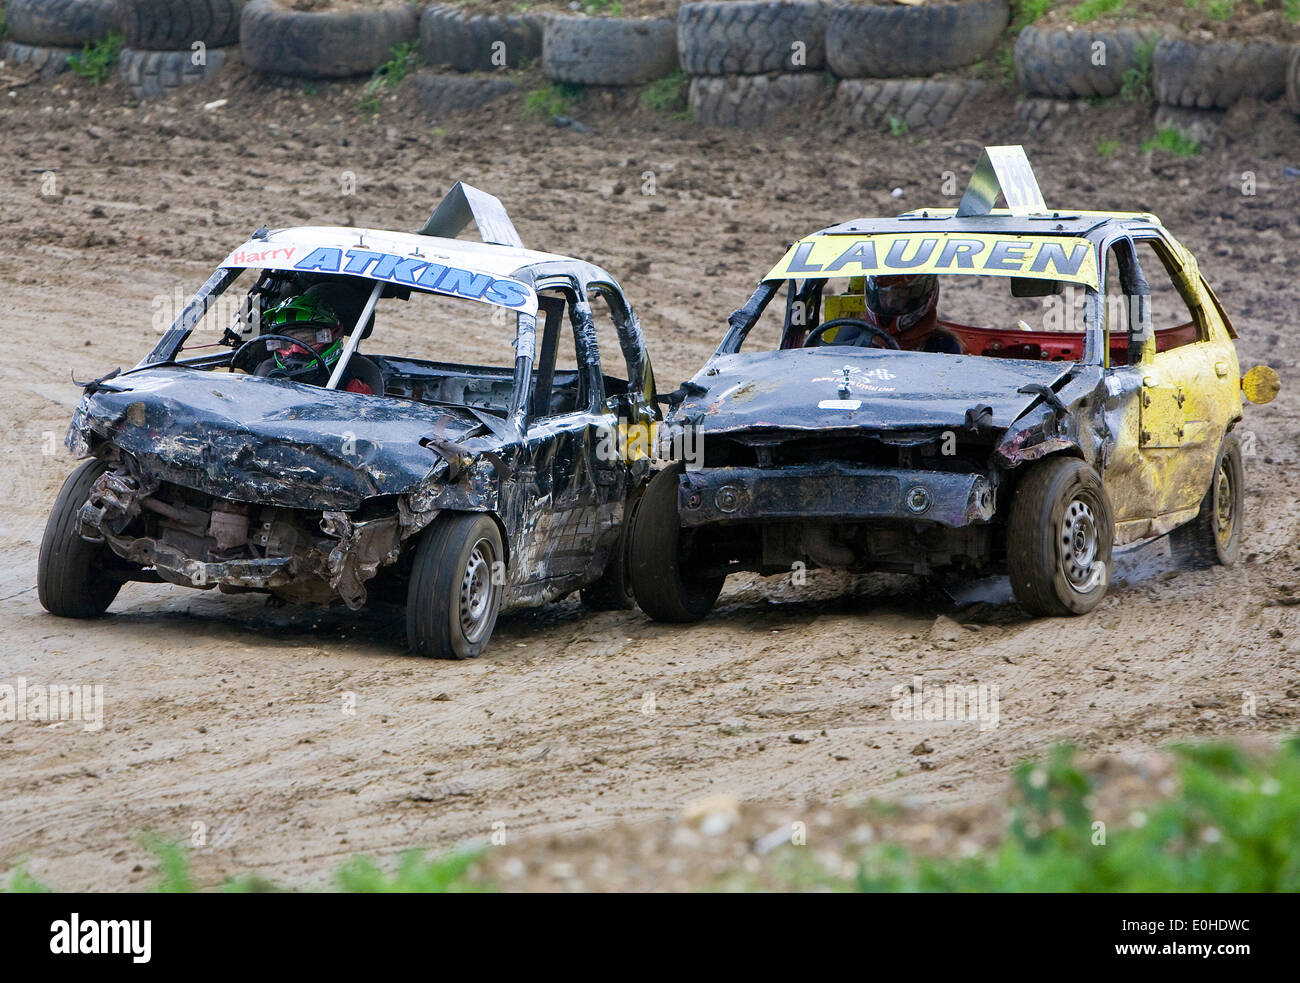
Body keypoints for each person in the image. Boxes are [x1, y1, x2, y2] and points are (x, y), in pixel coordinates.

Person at [254, 281, 381, 394]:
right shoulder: (267, 371)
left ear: (334, 335)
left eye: (306, 340)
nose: (296, 349)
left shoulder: (356, 375)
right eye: (288, 341)